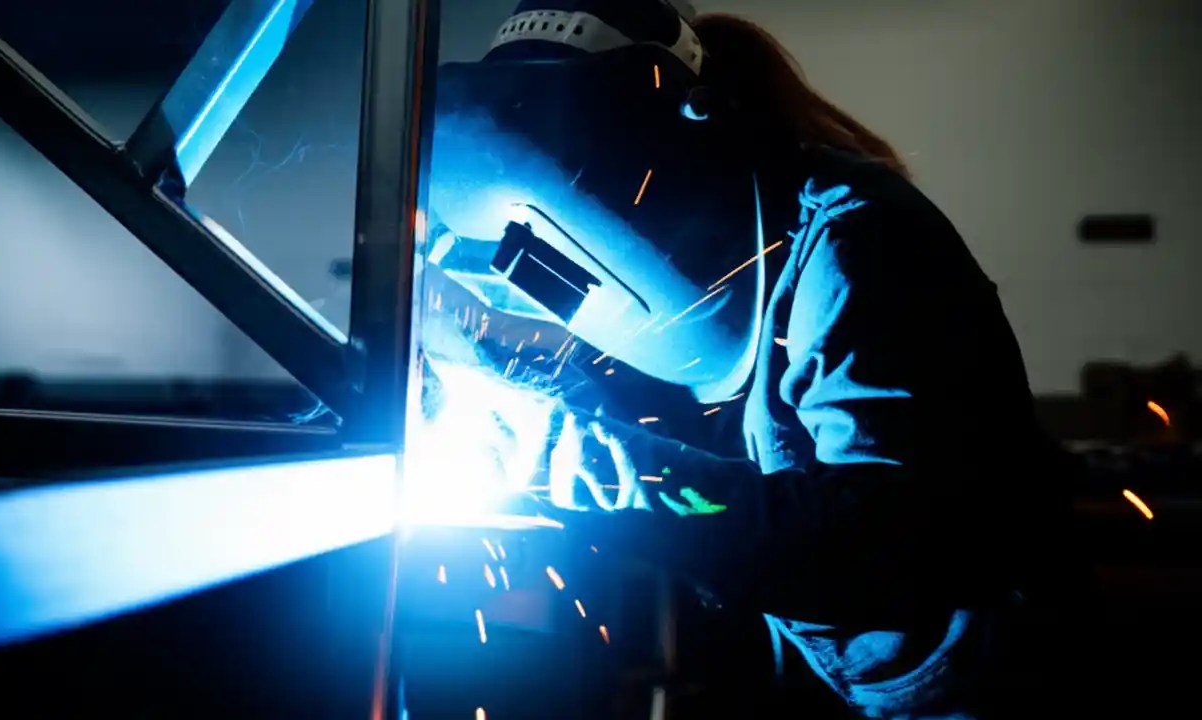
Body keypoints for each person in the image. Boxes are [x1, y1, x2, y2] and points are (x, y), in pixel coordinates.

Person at [423, 1, 1082, 717]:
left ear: (683, 136)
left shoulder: (861, 243)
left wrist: (534, 446)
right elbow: (665, 432)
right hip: (836, 672)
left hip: (983, 686)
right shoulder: (675, 258)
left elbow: (878, 540)